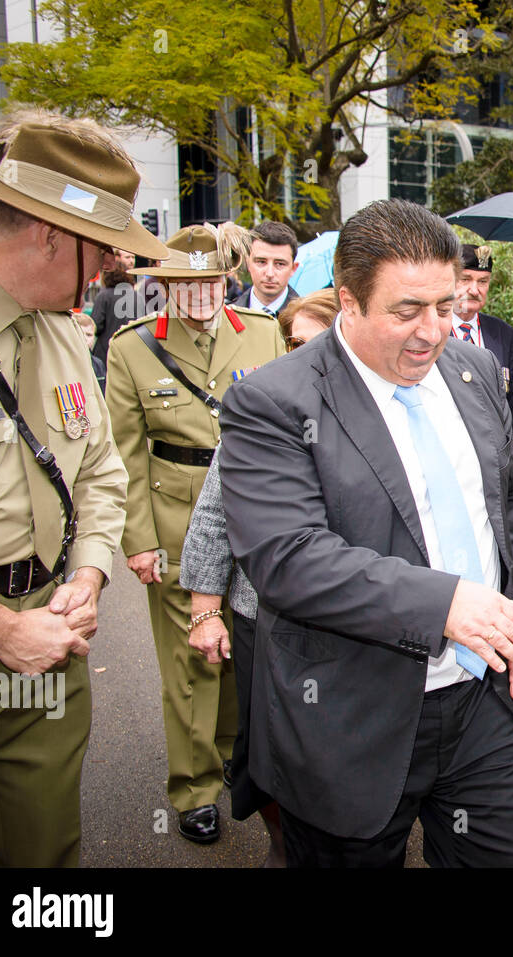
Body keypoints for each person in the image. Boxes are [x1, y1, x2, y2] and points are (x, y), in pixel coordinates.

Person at [217, 198, 513, 867]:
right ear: (348, 299)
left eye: (447, 306)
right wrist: (446, 603)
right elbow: (288, 558)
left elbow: (507, 499)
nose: (433, 331)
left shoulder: (475, 370)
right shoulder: (273, 401)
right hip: (348, 713)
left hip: (485, 702)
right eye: (407, 310)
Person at [0, 109, 167, 866]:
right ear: (51, 234)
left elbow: (100, 470)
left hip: (51, 637)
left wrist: (86, 569)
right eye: (102, 250)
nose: (107, 270)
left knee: (40, 856)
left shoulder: (62, 329)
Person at [105, 223, 286, 844]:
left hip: (254, 517)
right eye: (185, 284)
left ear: (225, 280)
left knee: (240, 645)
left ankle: (235, 761)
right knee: (189, 660)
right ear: (165, 287)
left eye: (209, 281)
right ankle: (193, 787)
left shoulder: (264, 334)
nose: (201, 295)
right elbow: (124, 455)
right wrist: (138, 540)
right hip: (177, 518)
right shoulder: (131, 349)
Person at [181, 289, 338, 867]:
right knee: (270, 744)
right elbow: (215, 512)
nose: (301, 352)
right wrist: (204, 611)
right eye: (292, 341)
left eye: (314, 340)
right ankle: (282, 842)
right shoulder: (263, 405)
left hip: (359, 620)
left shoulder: (387, 407)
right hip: (264, 613)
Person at [450, 243, 513, 457]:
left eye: (483, 281)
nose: (474, 290)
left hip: (495, 456)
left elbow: (512, 408)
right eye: (466, 279)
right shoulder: (433, 330)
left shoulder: (502, 333)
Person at [231, 221, 300, 317]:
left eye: (280, 264)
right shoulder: (227, 317)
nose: (270, 273)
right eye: (261, 262)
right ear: (248, 263)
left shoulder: (311, 320)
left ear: (293, 268)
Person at [89, 246, 142, 366]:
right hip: (132, 351)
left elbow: (96, 325)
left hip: (106, 353)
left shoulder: (104, 296)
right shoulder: (136, 296)